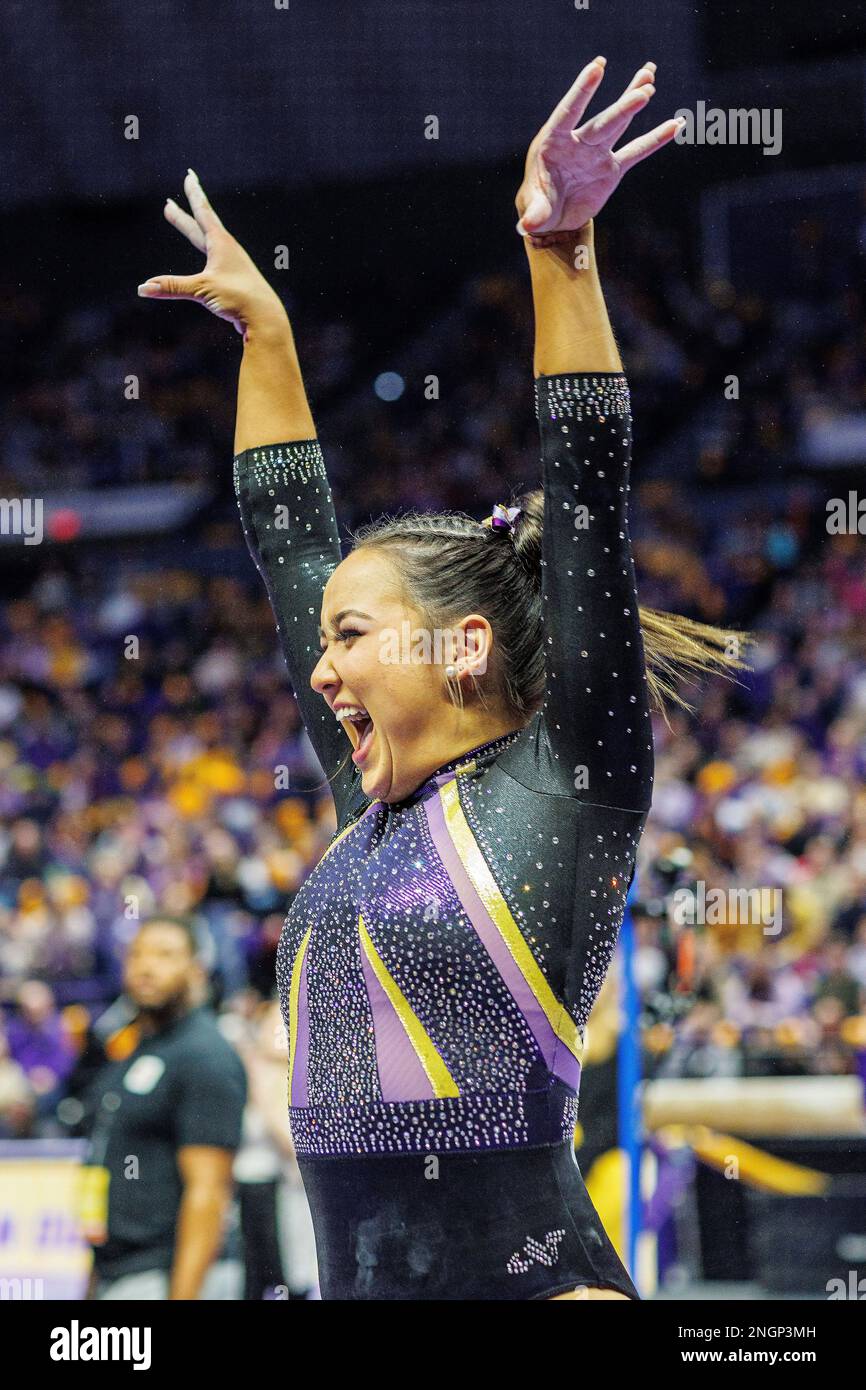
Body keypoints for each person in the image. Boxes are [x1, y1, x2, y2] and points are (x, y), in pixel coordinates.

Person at [138, 57, 743, 1300]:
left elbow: (584, 485)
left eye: (351, 638)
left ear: (457, 647)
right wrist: (268, 333)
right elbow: (291, 539)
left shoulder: (566, 783)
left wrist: (560, 248)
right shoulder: (373, 806)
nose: (320, 665)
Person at [80, 914, 247, 1299]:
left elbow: (209, 1193)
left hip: (168, 1274)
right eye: (136, 955)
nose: (146, 967)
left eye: (164, 954)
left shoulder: (204, 1055)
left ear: (197, 968)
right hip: (120, 1270)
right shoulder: (135, 1048)